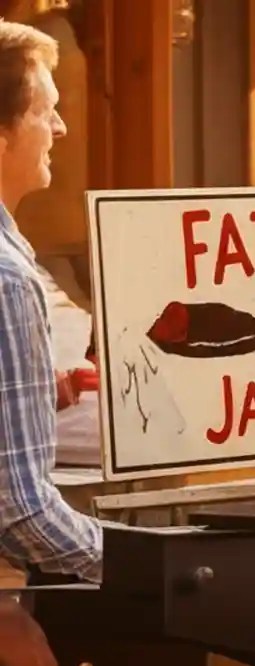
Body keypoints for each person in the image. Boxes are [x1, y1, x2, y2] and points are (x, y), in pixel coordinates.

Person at [0, 18, 102, 583]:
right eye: (45, 110)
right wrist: (146, 566)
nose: (60, 127)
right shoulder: (9, 279)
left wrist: (41, 395)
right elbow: (22, 509)